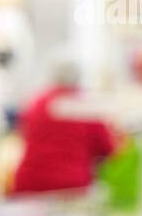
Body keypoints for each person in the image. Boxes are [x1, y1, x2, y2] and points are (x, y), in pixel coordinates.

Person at [11, 60, 118, 194]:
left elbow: (21, 134)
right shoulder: (85, 107)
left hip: (30, 184)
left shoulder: (36, 103)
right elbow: (108, 149)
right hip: (70, 189)